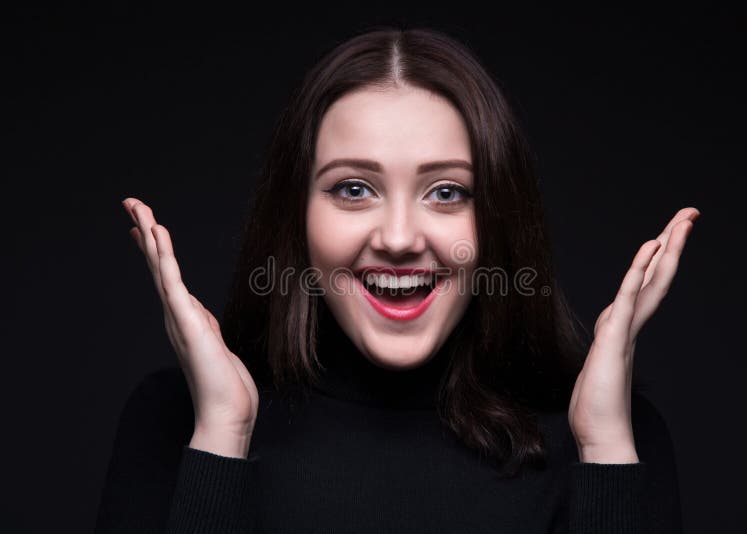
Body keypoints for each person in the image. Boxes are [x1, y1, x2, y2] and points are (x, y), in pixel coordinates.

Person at [95, 26, 696, 533]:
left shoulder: (616, 434)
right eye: (354, 189)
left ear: (501, 220)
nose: (401, 238)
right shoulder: (174, 419)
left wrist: (604, 451)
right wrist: (222, 437)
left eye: (447, 192)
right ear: (296, 216)